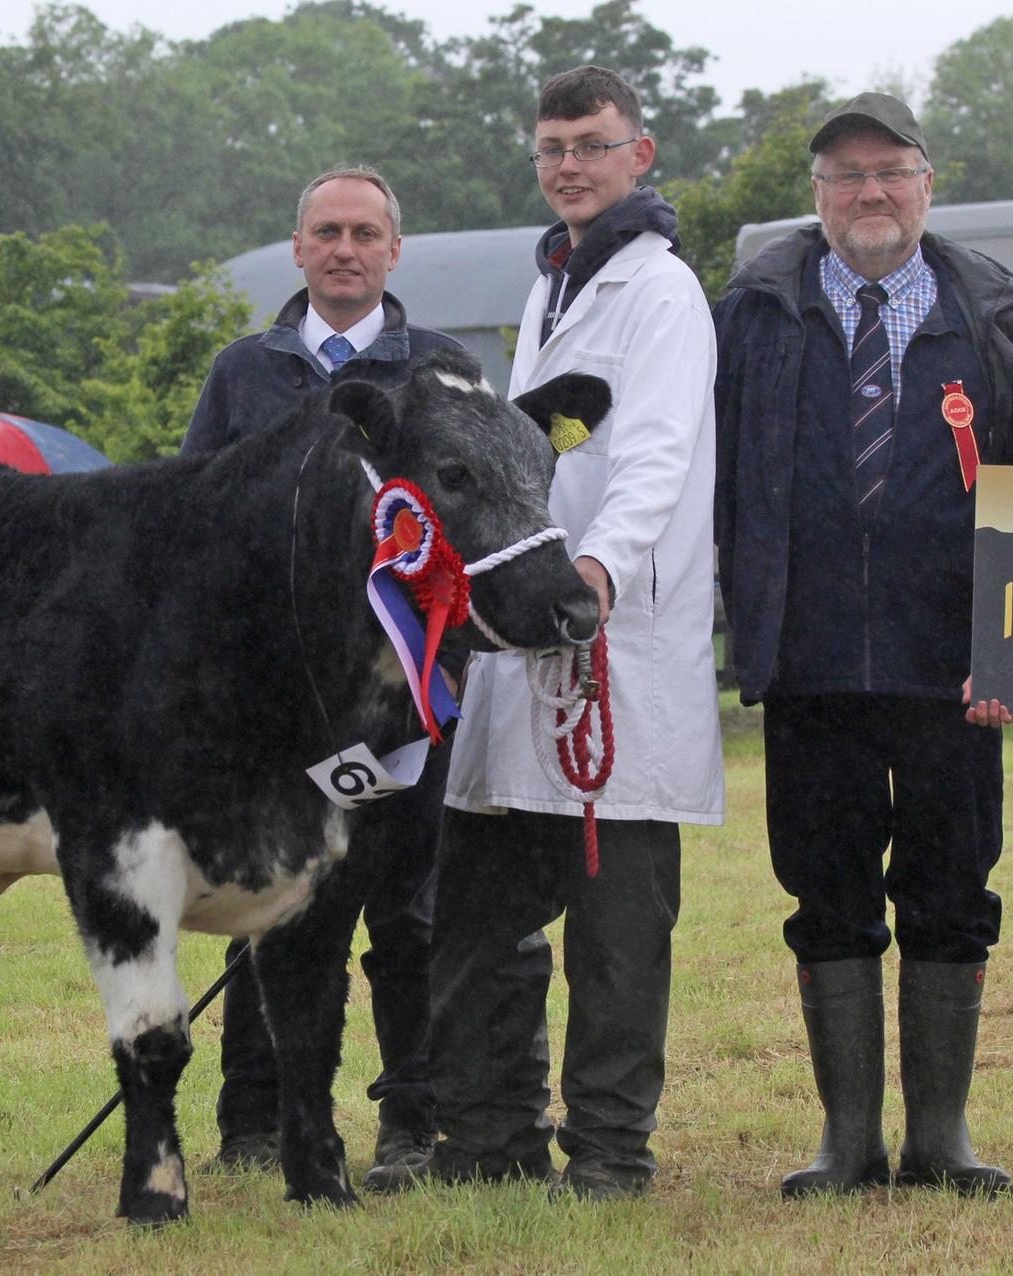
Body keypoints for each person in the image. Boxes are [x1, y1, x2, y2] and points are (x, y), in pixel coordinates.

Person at [712, 92, 1013, 1198]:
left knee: (952, 887)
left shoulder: (997, 317)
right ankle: (848, 1139)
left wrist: (1010, 639)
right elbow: (712, 478)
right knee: (824, 889)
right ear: (815, 195)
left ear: (926, 182)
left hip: (952, 663)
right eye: (845, 175)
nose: (868, 192)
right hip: (807, 659)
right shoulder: (753, 314)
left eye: (889, 171)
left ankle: (940, 1136)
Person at [423, 64, 724, 1202]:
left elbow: (652, 457)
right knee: (482, 911)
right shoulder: (549, 279)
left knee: (615, 933)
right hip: (518, 643)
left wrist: (596, 570)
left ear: (637, 154)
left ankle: (606, 1152)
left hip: (615, 646)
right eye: (552, 146)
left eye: (590, 144)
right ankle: (486, 1133)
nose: (568, 165)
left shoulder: (661, 292)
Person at [180, 165, 465, 1192]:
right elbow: (193, 525)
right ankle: (252, 1119)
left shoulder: (438, 370)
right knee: (269, 907)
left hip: (403, 697)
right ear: (298, 249)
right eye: (325, 232)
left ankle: (410, 1123)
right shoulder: (240, 372)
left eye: (364, 233)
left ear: (394, 250)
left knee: (407, 914)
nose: (344, 248)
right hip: (272, 710)